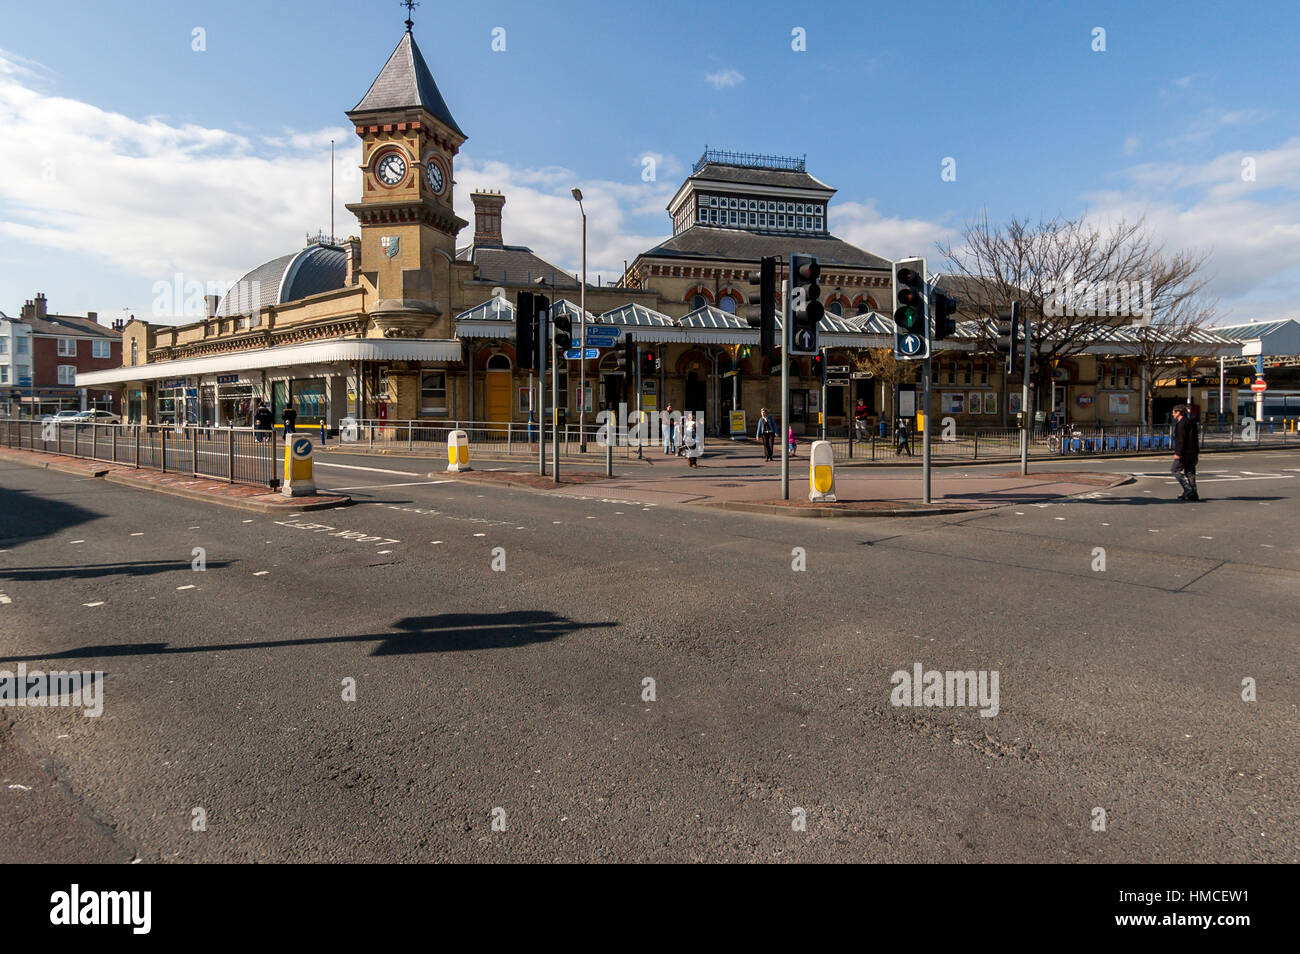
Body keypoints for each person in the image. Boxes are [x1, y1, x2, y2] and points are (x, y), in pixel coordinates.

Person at [1172, 404, 1200, 502]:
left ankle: (1188, 489)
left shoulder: (1181, 424)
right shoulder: (1191, 422)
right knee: (1190, 473)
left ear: (1178, 412)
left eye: (1174, 412)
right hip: (1193, 451)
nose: (1173, 414)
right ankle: (1194, 494)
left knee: (1175, 470)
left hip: (1185, 452)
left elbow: (1181, 440)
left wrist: (1178, 453)